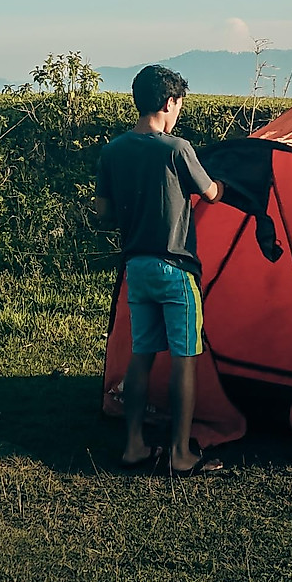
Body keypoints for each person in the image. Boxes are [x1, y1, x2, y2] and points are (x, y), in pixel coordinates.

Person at [93, 65, 226, 475]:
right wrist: (223, 185)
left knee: (141, 356)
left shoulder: (112, 150)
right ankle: (181, 455)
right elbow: (210, 192)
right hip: (176, 267)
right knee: (185, 359)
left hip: (137, 267)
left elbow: (102, 213)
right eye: (179, 106)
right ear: (169, 103)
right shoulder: (177, 148)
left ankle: (133, 446)